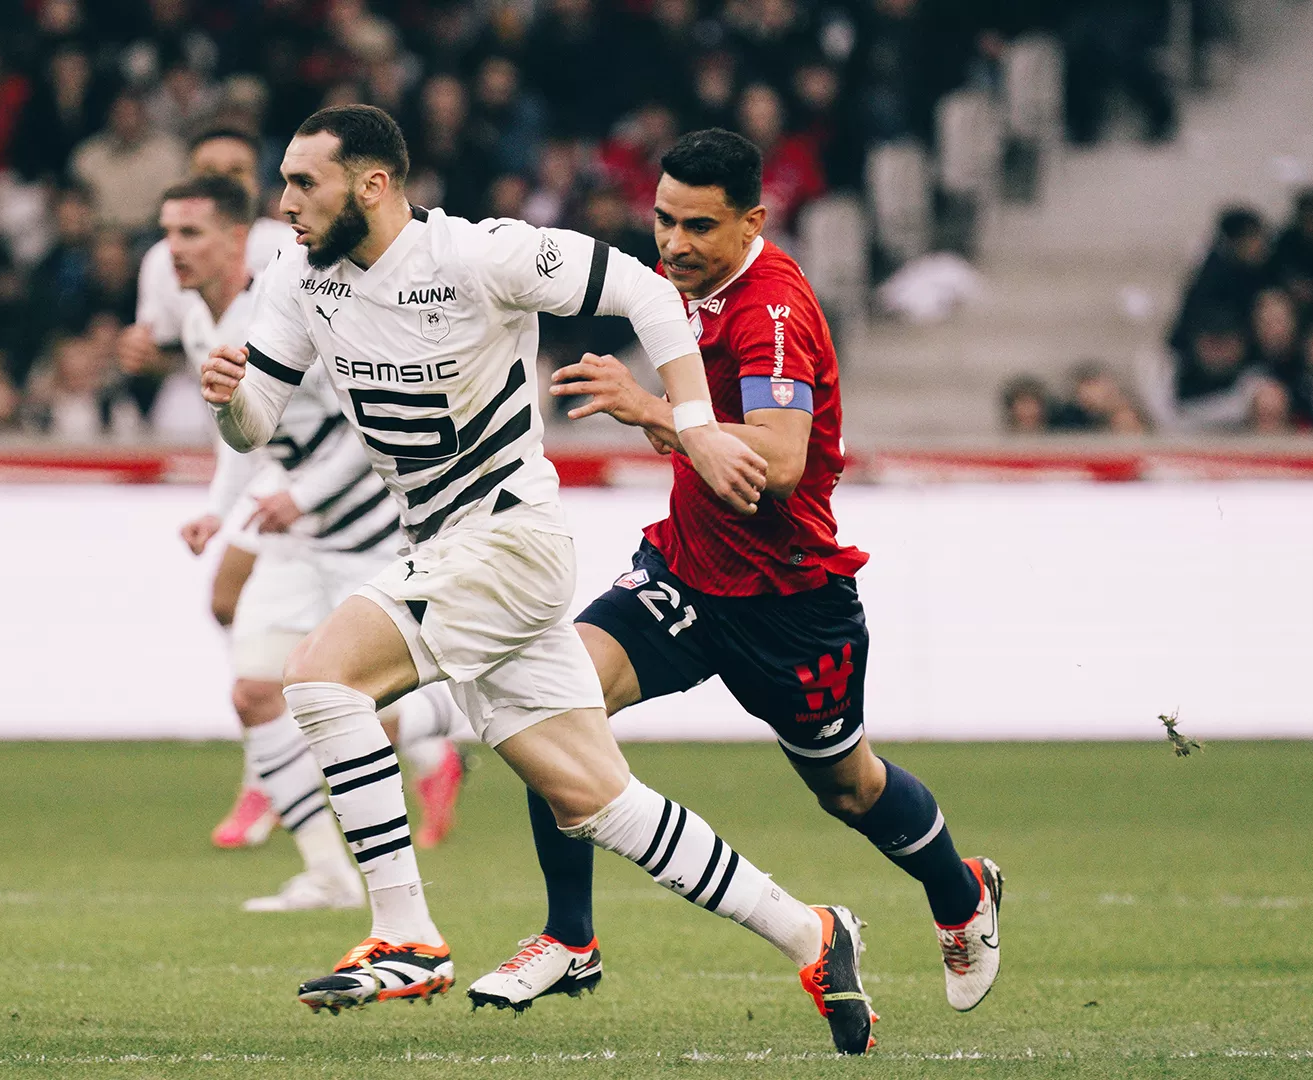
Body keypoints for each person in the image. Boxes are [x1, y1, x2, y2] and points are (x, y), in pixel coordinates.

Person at [201, 105, 875, 1055]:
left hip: (507, 543)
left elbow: (643, 290)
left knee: (320, 677)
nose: (284, 203)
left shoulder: (479, 258)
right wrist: (231, 405)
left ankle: (405, 932)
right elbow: (259, 417)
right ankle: (814, 933)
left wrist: (696, 423)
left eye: (303, 182)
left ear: (373, 185)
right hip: (443, 547)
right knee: (596, 798)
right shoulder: (298, 277)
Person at [462, 129, 1001, 1026]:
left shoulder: (773, 310)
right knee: (548, 711)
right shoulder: (679, 288)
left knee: (848, 788)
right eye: (663, 220)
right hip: (682, 575)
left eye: (699, 227)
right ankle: (570, 938)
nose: (673, 244)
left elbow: (779, 463)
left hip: (790, 601)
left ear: (754, 219)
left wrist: (649, 407)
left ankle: (961, 893)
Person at [129, 128, 464, 851]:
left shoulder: (288, 301)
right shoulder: (196, 316)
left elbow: (360, 419)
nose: (172, 251)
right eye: (168, 235)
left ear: (235, 241)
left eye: (190, 235)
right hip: (288, 504)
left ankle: (445, 729)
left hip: (362, 514)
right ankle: (295, 826)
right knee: (259, 684)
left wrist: (305, 496)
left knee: (350, 688)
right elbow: (243, 430)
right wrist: (217, 514)